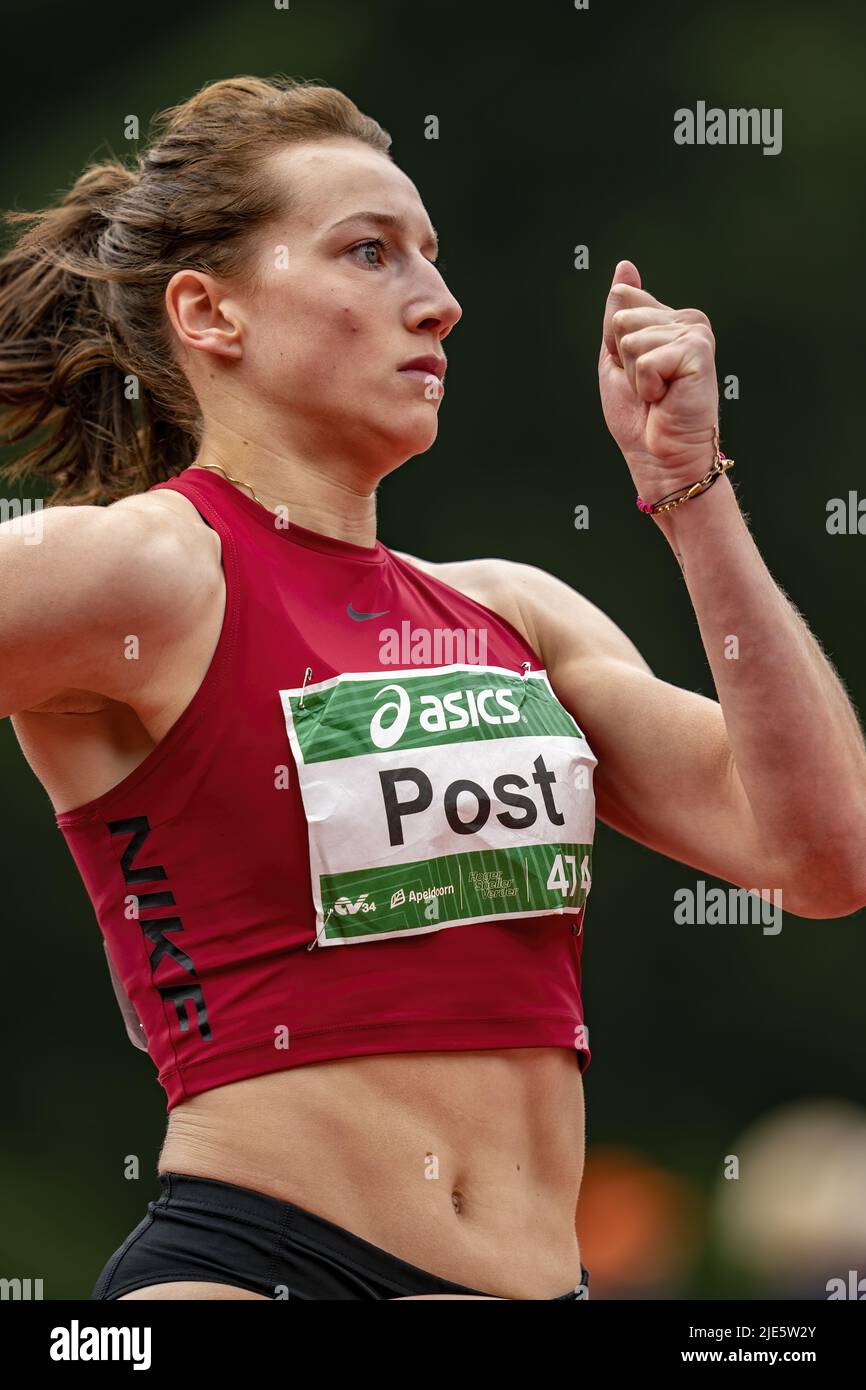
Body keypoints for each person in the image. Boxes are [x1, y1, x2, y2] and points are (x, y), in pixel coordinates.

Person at [1, 75, 864, 1302]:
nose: (441, 302)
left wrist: (693, 493)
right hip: (258, 1265)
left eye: (432, 256)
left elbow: (818, 853)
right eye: (369, 252)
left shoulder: (512, 609)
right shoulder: (149, 570)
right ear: (209, 311)